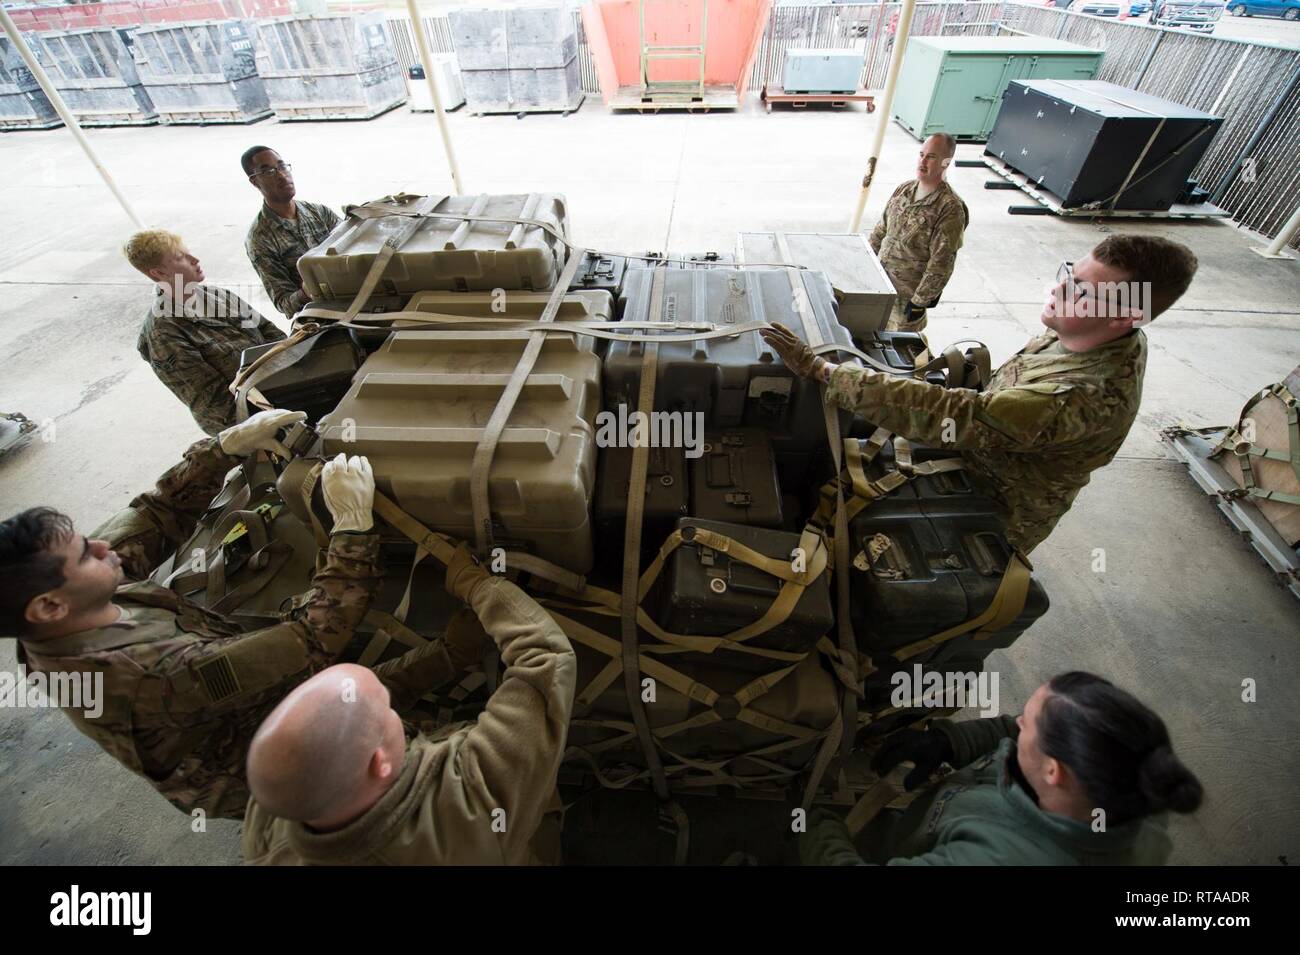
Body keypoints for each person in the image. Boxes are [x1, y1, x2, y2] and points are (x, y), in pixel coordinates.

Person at [0, 410, 384, 818]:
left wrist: (225, 447)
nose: (100, 545)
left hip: (206, 658)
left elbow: (156, 513)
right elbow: (315, 639)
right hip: (263, 773)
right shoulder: (149, 677)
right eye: (83, 554)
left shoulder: (68, 605)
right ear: (48, 606)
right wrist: (352, 530)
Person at [760, 234, 1199, 554]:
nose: (1060, 289)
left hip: (993, 507)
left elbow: (959, 416)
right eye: (1070, 272)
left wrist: (824, 372)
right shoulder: (1088, 331)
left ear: (1125, 316)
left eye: (1083, 290)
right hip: (978, 456)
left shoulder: (1081, 396)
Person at [241, 543, 576, 865]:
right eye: (388, 710)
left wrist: (447, 654)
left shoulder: (270, 822)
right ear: (380, 762)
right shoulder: (470, 802)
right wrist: (476, 585)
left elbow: (350, 714)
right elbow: (545, 660)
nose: (391, 705)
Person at [801, 671, 1203, 865]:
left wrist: (820, 831)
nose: (1017, 723)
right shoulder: (1134, 783)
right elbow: (1010, 728)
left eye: (1028, 722)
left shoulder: (996, 861)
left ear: (1053, 772)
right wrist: (950, 742)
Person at [125, 229, 285, 436]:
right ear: (159, 273)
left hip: (280, 384)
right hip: (250, 420)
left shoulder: (217, 295)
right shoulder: (164, 334)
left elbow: (270, 332)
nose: (195, 259)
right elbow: (215, 405)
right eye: (181, 257)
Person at [868, 133, 969, 333]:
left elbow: (941, 263)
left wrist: (919, 303)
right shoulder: (904, 190)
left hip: (906, 304)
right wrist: (865, 268)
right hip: (881, 291)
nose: (923, 162)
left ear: (945, 162)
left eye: (931, 157)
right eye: (921, 154)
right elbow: (880, 231)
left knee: (898, 355)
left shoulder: (949, 208)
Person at [242, 146, 340, 320]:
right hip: (322, 317)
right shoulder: (260, 239)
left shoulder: (318, 212)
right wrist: (305, 292)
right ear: (255, 182)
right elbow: (284, 304)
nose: (281, 175)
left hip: (353, 293)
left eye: (282, 167)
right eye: (269, 171)